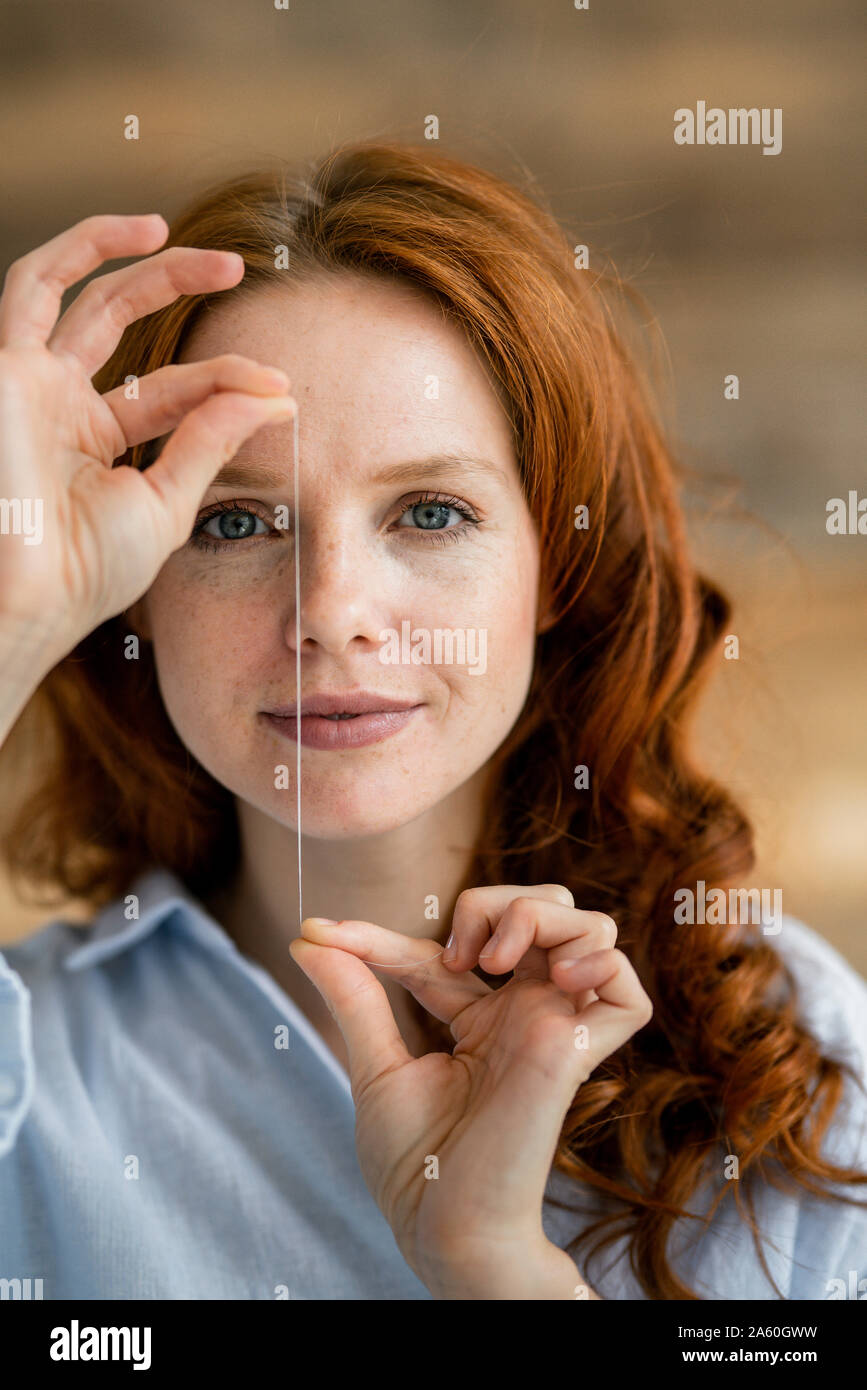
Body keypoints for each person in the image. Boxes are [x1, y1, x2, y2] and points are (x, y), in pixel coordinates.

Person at [0, 140, 864, 1301]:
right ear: (136, 589)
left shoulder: (799, 1067)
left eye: (431, 510)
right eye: (233, 522)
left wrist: (494, 1269)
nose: (334, 614)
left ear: (556, 564)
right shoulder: (32, 1075)